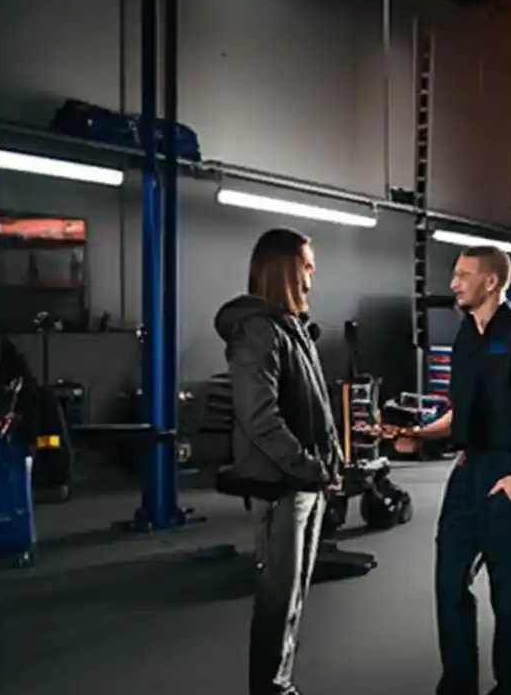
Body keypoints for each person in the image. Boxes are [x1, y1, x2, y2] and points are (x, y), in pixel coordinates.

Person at [396, 245, 511, 695]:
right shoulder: (465, 338)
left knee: (506, 594)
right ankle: (458, 686)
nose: (453, 283)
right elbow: (461, 414)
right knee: (449, 583)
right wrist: (421, 433)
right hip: (466, 470)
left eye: (463, 275)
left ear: (491, 282)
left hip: (505, 471)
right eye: (454, 275)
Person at [214, 227, 342, 695]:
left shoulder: (292, 328)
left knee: (294, 598)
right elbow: (259, 417)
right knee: (276, 601)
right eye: (306, 266)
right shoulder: (258, 332)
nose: (312, 276)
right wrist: (309, 467)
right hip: (282, 485)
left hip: (307, 482)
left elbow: (316, 406)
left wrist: (333, 459)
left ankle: (280, 685)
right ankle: (270, 689)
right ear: (286, 268)